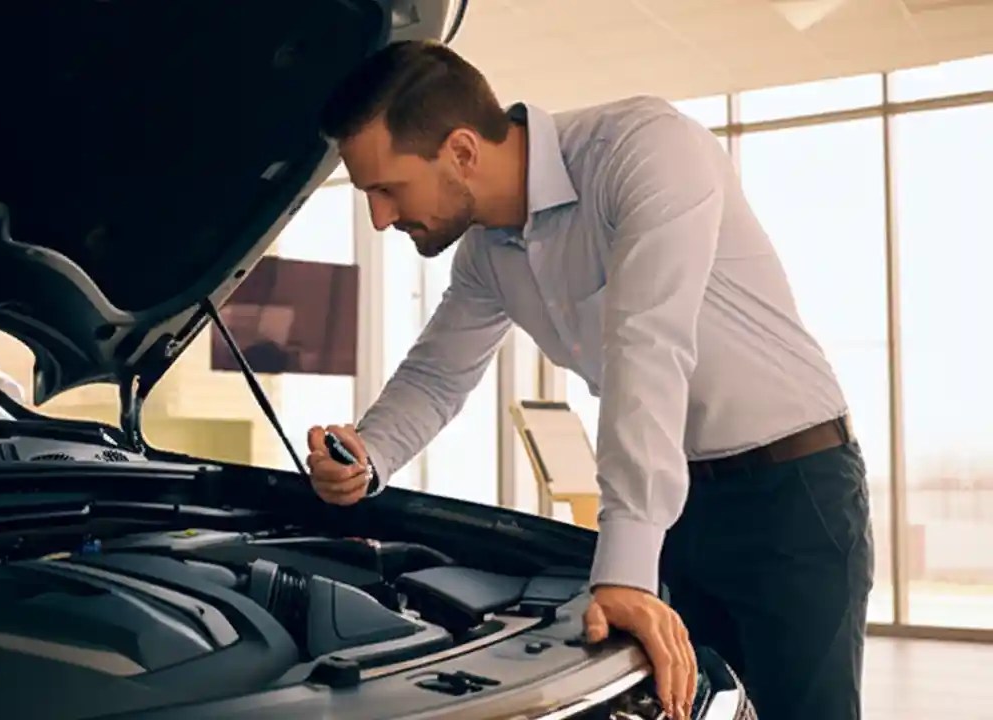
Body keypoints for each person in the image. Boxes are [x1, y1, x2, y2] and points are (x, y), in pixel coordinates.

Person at [304, 40, 873, 720]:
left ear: (460, 151)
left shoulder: (644, 150)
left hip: (791, 493)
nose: (380, 216)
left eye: (386, 189)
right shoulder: (489, 252)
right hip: (677, 501)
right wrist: (369, 455)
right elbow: (436, 374)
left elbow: (649, 348)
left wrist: (626, 571)